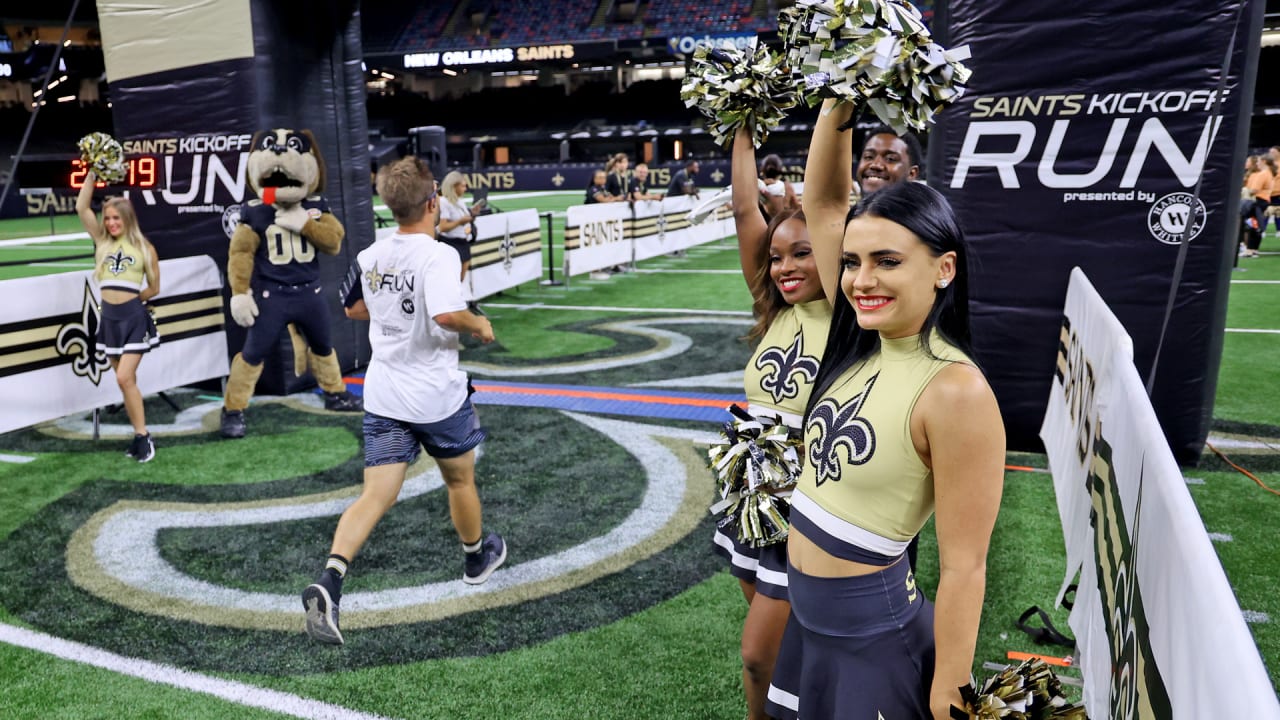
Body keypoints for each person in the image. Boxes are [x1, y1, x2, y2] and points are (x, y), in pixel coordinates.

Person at [765, 100, 1005, 720]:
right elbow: (821, 203)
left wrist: (951, 691)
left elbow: (965, 566)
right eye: (851, 261)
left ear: (944, 269)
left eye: (887, 261)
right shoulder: (861, 335)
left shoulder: (956, 390)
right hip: (810, 621)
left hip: (873, 642)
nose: (859, 280)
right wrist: (841, 91)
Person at [302, 156, 506, 645]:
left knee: (375, 494)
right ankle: (476, 557)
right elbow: (445, 316)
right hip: (435, 396)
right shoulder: (438, 255)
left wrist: (390, 315)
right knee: (459, 479)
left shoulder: (372, 254)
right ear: (434, 201)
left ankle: (331, 579)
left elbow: (352, 306)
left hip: (385, 392)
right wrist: (479, 324)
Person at [712, 126, 833, 720]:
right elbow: (742, 210)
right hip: (753, 491)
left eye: (803, 253)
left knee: (759, 652)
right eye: (778, 254)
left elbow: (830, 205)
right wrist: (742, 122)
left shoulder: (848, 312)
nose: (784, 267)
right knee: (774, 649)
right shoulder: (772, 308)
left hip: (808, 501)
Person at [76, 168, 160, 462]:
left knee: (125, 378)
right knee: (127, 381)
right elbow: (81, 207)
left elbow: (154, 287)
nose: (111, 223)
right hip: (109, 320)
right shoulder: (101, 242)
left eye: (116, 218)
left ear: (127, 219)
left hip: (134, 319)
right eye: (107, 218)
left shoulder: (144, 247)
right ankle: (139, 436)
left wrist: (134, 300)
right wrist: (91, 173)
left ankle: (144, 438)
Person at [437, 170, 482, 307]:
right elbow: (442, 227)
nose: (465, 188)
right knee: (453, 279)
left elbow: (464, 221)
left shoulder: (459, 201)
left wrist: (472, 215)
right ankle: (449, 306)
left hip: (463, 241)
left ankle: (455, 304)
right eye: (462, 186)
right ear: (453, 186)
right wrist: (460, 222)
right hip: (451, 243)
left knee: (461, 278)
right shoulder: (444, 202)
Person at [856, 124, 923, 196]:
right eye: (869, 157)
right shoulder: (846, 206)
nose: (875, 165)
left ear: (911, 174)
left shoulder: (924, 207)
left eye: (890, 159)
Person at [758, 152, 798, 220]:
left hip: (763, 226)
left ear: (762, 170)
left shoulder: (756, 188)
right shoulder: (787, 187)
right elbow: (796, 207)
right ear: (780, 170)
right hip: (783, 226)